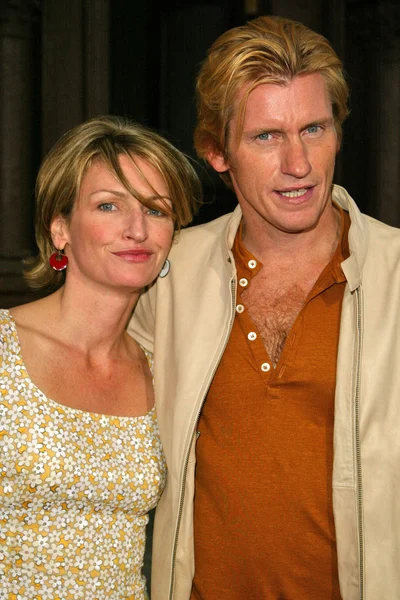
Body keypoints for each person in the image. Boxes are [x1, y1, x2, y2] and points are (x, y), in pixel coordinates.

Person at [129, 14, 400, 600]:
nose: (298, 164)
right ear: (216, 151)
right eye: (266, 136)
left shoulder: (396, 274)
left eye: (314, 128)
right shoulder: (166, 275)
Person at [0, 115, 201, 599]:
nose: (137, 229)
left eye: (156, 210)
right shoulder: (4, 349)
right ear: (60, 228)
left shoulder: (164, 372)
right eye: (109, 205)